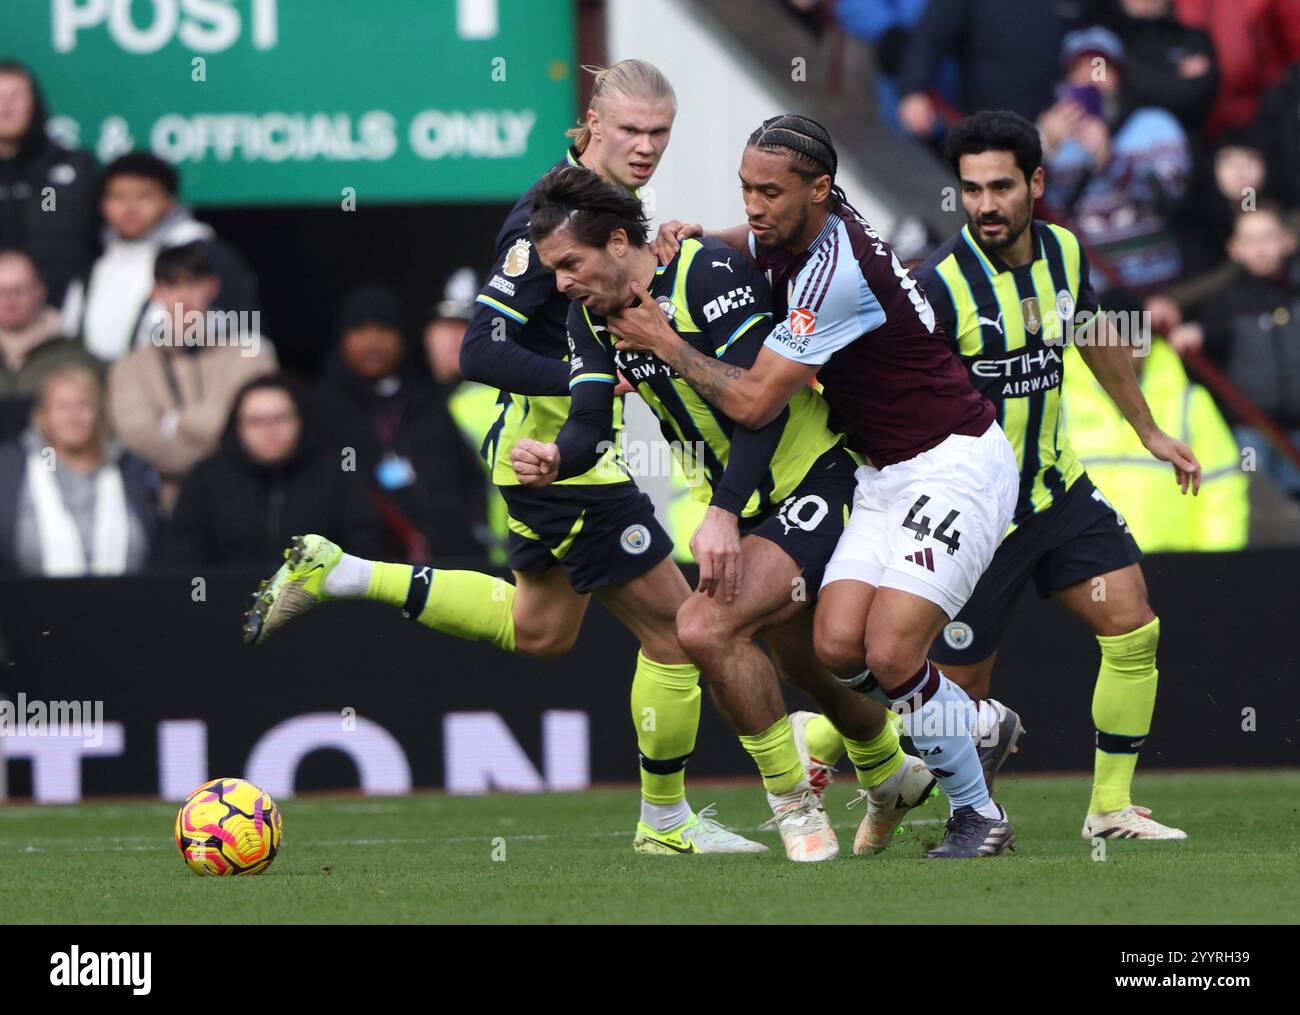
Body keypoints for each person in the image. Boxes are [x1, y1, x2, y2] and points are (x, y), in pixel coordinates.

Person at [242, 61, 767, 857]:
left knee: (541, 630)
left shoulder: (613, 205)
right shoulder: (543, 217)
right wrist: (589, 376)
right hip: (558, 458)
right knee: (678, 632)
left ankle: (341, 572)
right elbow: (477, 350)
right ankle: (669, 824)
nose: (646, 146)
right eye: (628, 130)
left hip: (560, 454)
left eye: (660, 132)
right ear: (591, 120)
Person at [511, 165, 938, 861]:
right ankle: (893, 773)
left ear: (620, 241)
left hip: (813, 479)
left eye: (570, 263)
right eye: (554, 268)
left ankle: (796, 806)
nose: (561, 280)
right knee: (801, 657)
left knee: (703, 626)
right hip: (745, 508)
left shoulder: (707, 272)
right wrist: (560, 456)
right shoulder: (586, 313)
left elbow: (759, 404)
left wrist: (722, 511)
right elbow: (591, 418)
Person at [632, 115, 1025, 859]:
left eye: (769, 191)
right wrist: (692, 239)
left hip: (953, 461)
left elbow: (754, 402)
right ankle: (970, 724)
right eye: (745, 187)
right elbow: (743, 239)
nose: (754, 204)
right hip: (884, 474)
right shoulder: (790, 231)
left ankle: (980, 814)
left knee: (891, 653)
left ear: (820, 189)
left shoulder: (835, 270)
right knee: (838, 647)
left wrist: (663, 341)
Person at [804, 111, 1202, 839]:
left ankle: (1110, 809)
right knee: (955, 694)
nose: (985, 204)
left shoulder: (1066, 253)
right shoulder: (936, 287)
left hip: (1056, 490)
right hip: (977, 514)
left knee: (1133, 625)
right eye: (971, 190)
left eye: (1000, 187)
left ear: (1035, 184)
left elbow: (1091, 333)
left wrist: (1148, 430)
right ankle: (843, 753)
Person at [313, 284, 485, 561]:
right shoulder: (321, 409)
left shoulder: (430, 400)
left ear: (402, 337)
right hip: (363, 567)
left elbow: (470, 477)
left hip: (452, 559)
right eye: (359, 330)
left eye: (383, 329)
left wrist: (469, 526)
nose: (372, 341)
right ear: (342, 339)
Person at [108, 241, 276, 512]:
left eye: (193, 283)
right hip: (166, 508)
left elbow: (255, 431)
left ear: (212, 287)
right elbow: (139, 439)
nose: (183, 296)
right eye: (172, 284)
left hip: (246, 503)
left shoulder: (254, 354)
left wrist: (177, 420)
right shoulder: (130, 367)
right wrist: (214, 434)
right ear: (156, 293)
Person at [167, 375, 382, 568]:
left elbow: (363, 551)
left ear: (301, 421)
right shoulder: (206, 478)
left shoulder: (336, 475)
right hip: (225, 603)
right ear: (238, 426)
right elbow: (183, 554)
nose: (270, 431)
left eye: (281, 418)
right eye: (256, 421)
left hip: (323, 604)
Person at [1038, 27, 1192, 296]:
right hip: (1082, 294)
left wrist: (1110, 159)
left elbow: (1171, 197)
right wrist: (1043, 147)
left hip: (1154, 291)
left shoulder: (1156, 126)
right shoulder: (1050, 137)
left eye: (1100, 69)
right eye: (1079, 70)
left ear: (1120, 78)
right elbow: (1032, 213)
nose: (1090, 80)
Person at [1063, 339, 1248, 549]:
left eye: (1135, 332)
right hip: (1084, 568)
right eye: (1116, 331)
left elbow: (1221, 486)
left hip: (1175, 568)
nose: (1126, 343)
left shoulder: (1190, 401)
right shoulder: (1059, 398)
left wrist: (1215, 566)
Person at [77, 152, 258, 363]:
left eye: (144, 196)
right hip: (109, 384)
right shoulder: (95, 258)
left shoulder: (204, 252)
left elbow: (247, 327)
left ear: (170, 201)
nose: (130, 208)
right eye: (118, 196)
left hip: (190, 380)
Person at [1171, 204, 1300, 498]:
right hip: (1250, 430)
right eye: (1250, 241)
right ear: (1234, 249)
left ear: (1288, 241)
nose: (1260, 248)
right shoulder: (1224, 301)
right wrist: (1195, 333)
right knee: (1259, 502)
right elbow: (1207, 340)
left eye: (1267, 237)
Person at [0, 363, 157, 576]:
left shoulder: (128, 467)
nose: (73, 417)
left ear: (99, 412)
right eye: (62, 407)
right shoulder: (13, 468)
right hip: (29, 602)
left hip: (125, 600)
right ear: (44, 415)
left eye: (84, 405)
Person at [894, 0, 1088, 138]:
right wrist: (914, 90)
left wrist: (1094, 100)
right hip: (980, 127)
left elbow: (1102, 47)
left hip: (1057, 132)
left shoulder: (1082, 8)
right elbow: (930, 38)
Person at [0, 61, 98, 311]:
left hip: (61, 316)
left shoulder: (73, 169)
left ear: (35, 102)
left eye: (16, 96)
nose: (6, 107)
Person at [0, 250, 98, 442]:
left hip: (52, 464)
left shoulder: (75, 356)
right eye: (1, 290)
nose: (9, 299)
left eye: (18, 289)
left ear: (39, 290)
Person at [1096, 0, 1219, 133]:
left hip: (1186, 147)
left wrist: (1121, 72)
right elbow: (1097, 87)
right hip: (1117, 147)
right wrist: (1173, 75)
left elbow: (1194, 99)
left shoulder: (1195, 39)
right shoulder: (1100, 40)